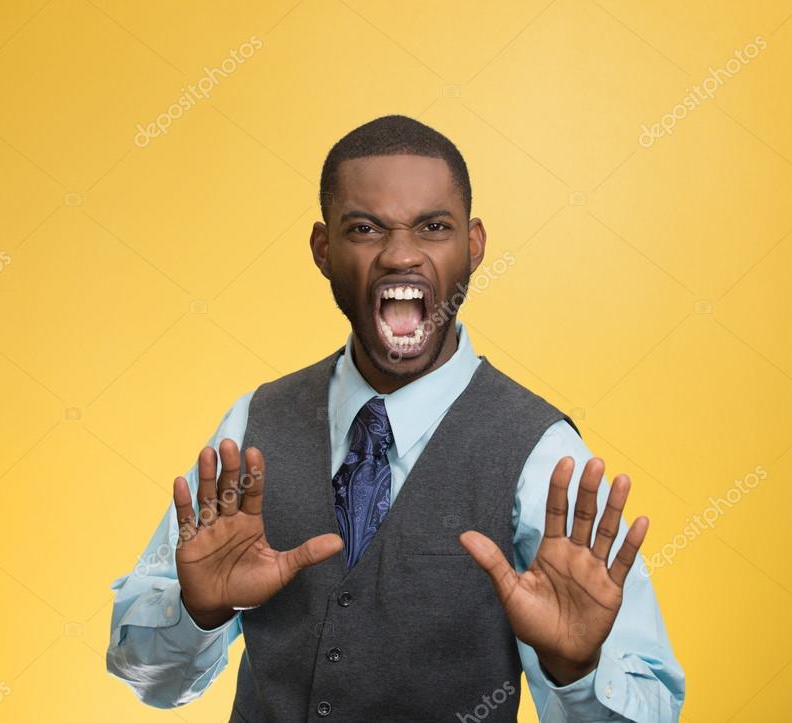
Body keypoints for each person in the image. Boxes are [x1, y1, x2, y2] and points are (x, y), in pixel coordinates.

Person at [106, 115, 685, 722]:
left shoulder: (541, 453)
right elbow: (148, 676)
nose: (401, 254)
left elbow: (650, 706)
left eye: (434, 227)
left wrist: (577, 672)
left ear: (475, 246)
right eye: (365, 228)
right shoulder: (252, 424)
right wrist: (196, 616)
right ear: (323, 250)